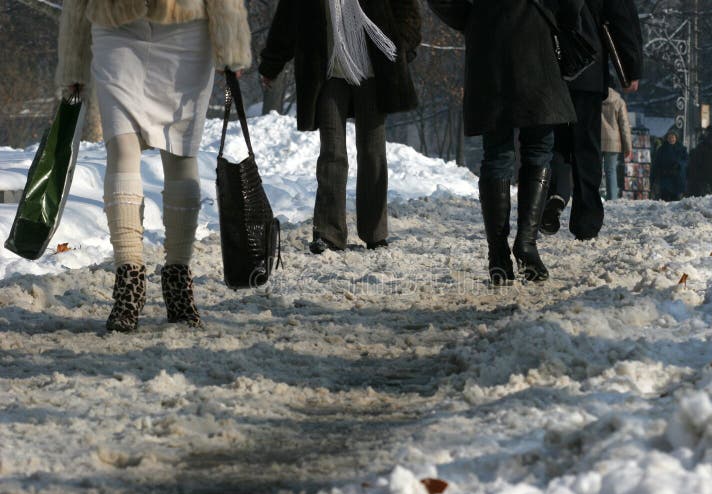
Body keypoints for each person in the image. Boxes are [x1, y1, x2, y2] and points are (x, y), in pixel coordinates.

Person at [56, 0, 252, 332]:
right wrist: (73, 60)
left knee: (180, 153)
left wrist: (230, 40)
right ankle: (128, 283)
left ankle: (178, 281)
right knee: (121, 145)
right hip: (115, 24)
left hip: (186, 30)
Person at [427, 0, 582, 284]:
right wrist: (559, 18)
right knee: (537, 149)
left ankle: (497, 254)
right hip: (536, 39)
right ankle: (526, 244)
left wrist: (474, 18)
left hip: (488, 41)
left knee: (496, 153)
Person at [259, 0, 421, 254]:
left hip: (373, 72)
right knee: (332, 153)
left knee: (372, 153)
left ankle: (375, 233)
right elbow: (288, 17)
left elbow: (407, 11)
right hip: (328, 72)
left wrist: (402, 47)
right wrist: (271, 64)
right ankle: (328, 233)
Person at [541, 0, 643, 240]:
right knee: (586, 145)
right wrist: (631, 67)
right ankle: (586, 219)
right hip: (588, 65)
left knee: (556, 141)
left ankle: (555, 195)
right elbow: (621, 16)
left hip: (548, 65)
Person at [600, 86, 632, 200]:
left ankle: (593, 197)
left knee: (595, 170)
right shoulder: (619, 101)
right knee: (611, 170)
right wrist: (628, 147)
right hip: (613, 142)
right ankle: (612, 198)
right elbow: (624, 126)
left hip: (596, 140)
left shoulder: (595, 99)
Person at [652, 128, 688, 201]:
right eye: (669, 137)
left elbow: (686, 161)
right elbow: (657, 163)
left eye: (673, 137)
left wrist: (679, 164)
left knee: (677, 201)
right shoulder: (662, 149)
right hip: (665, 178)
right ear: (667, 138)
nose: (671, 139)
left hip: (677, 178)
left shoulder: (682, 149)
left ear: (676, 138)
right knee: (665, 199)